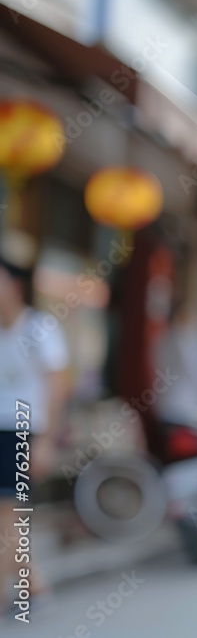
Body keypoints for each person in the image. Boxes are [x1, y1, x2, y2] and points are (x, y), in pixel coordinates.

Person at [0, 258, 70, 615]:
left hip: (24, 431)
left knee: (8, 513)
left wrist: (45, 441)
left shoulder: (39, 328)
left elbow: (57, 385)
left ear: (14, 286)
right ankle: (34, 584)